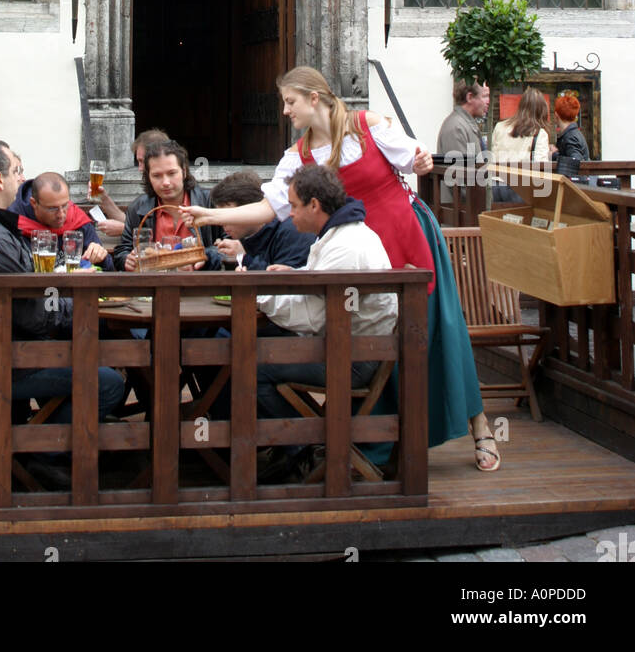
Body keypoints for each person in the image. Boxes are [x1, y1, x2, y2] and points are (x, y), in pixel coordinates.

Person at [183, 65, 502, 472]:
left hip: (406, 237)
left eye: (290, 101)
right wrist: (208, 215)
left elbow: (415, 159)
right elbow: (270, 207)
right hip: (356, 248)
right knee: (375, 340)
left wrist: (421, 160)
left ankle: (481, 427)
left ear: (314, 98)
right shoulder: (298, 156)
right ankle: (383, 444)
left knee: (440, 331)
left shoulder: (367, 125)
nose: (285, 111)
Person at [0, 140, 125, 489]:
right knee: (107, 380)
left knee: (88, 351)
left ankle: (32, 443)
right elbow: (36, 317)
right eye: (17, 171)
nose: (22, 179)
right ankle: (37, 454)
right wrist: (84, 302)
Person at [255, 163, 397, 482]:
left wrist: (256, 294)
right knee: (259, 346)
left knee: (250, 365)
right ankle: (300, 446)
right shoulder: (343, 233)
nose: (289, 214)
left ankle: (305, 447)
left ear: (315, 205)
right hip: (351, 345)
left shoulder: (345, 245)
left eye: (293, 206)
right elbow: (323, 296)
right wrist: (296, 276)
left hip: (353, 358)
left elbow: (311, 319)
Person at [113, 139, 224, 272]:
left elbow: (232, 247)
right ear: (148, 177)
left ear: (183, 172)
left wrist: (205, 257)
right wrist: (126, 260)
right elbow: (122, 251)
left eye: (172, 173)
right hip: (154, 285)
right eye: (157, 176)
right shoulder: (138, 208)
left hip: (203, 286)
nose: (165, 182)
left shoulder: (210, 201)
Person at [209, 170, 313, 270]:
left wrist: (245, 259)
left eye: (229, 215)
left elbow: (287, 281)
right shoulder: (242, 234)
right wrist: (206, 259)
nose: (222, 222)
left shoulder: (292, 231)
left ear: (249, 209)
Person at [12, 170, 113, 268]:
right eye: (52, 208)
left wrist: (101, 258)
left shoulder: (77, 219)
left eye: (65, 205)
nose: (61, 214)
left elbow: (108, 269)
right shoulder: (13, 224)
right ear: (34, 203)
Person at [436, 81, 490, 206]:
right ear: (470, 97)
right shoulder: (457, 128)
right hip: (460, 213)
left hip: (466, 209)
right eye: (485, 96)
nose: (488, 101)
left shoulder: (464, 124)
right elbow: (460, 180)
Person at [491, 88, 551, 165]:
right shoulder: (540, 134)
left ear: (520, 105)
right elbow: (541, 166)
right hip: (524, 176)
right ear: (542, 110)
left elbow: (493, 158)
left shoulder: (499, 127)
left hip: (499, 175)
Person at [551, 94, 590, 167]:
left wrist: (554, 155)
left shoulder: (570, 137)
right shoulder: (573, 133)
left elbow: (575, 161)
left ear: (556, 115)